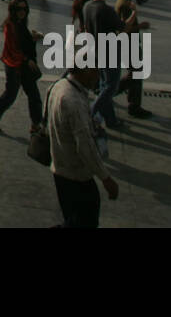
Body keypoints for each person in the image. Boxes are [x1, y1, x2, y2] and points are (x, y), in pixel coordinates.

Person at [48, 65, 119, 227]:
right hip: (76, 174)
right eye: (96, 72)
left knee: (72, 220)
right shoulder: (74, 101)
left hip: (59, 168)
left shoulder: (58, 86)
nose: (98, 78)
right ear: (86, 71)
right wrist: (106, 178)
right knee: (86, 221)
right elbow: (85, 147)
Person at [0, 0, 44, 134]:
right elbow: (13, 48)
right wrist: (27, 59)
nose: (22, 12)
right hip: (14, 65)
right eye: (19, 9)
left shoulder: (20, 23)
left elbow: (22, 43)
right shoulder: (9, 26)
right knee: (11, 94)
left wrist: (32, 38)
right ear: (13, 10)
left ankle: (36, 124)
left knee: (33, 95)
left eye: (25, 9)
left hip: (22, 64)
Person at [81, 0, 125, 129]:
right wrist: (135, 19)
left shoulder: (87, 6)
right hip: (109, 50)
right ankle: (91, 111)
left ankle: (111, 120)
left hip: (96, 49)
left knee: (103, 83)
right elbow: (121, 26)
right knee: (111, 86)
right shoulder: (106, 9)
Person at [113, 0, 152, 119]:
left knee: (136, 72)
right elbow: (125, 28)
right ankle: (112, 93)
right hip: (129, 43)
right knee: (136, 73)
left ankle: (133, 104)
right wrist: (140, 26)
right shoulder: (126, 4)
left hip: (128, 43)